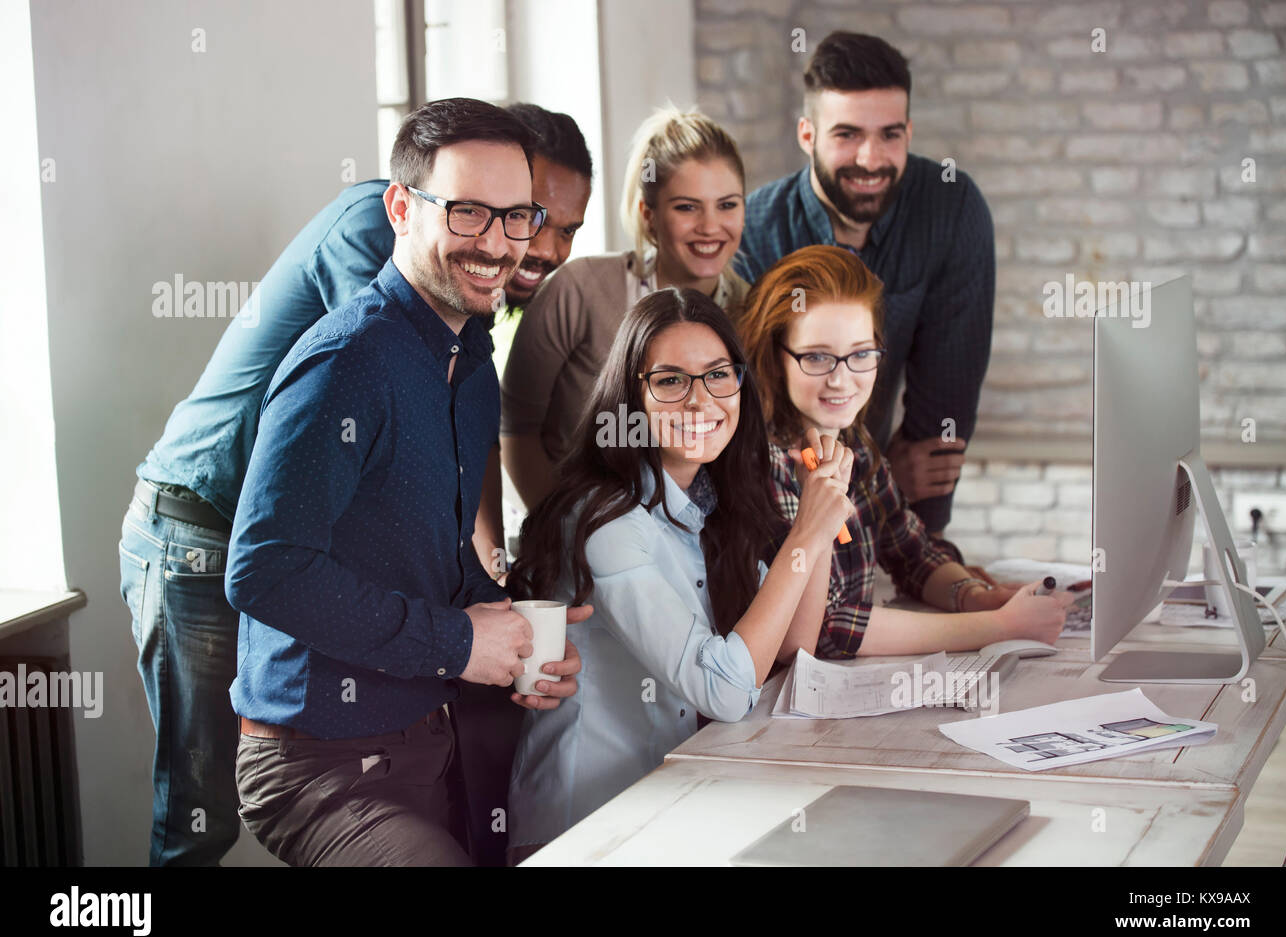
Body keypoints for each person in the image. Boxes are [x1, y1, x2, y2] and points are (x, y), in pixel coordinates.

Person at [116, 102, 590, 865]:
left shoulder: (467, 363)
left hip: (404, 723)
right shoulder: (354, 352)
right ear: (402, 208)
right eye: (469, 211)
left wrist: (507, 626)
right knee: (194, 817)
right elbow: (270, 565)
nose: (507, 243)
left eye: (521, 218)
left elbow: (421, 512)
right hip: (195, 528)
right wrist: (463, 637)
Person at [504, 287, 855, 861]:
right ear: (630, 400)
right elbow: (723, 690)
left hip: (675, 807)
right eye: (670, 381)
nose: (701, 401)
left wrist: (820, 523)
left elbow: (794, 649)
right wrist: (807, 533)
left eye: (719, 375)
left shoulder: (710, 503)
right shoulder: (605, 522)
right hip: (584, 832)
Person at [736, 245, 1073, 659]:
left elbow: (909, 548)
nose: (842, 381)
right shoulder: (763, 463)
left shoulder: (851, 439)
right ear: (776, 356)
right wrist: (998, 627)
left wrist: (971, 596)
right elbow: (830, 625)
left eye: (861, 354)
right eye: (818, 357)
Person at [736, 31, 995, 544]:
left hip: (895, 506)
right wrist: (872, 475)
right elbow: (750, 415)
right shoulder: (755, 229)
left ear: (909, 132)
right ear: (807, 135)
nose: (871, 159)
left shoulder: (951, 207)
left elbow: (948, 397)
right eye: (847, 135)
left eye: (890, 135)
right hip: (774, 514)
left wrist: (924, 547)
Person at [501, 106, 751, 510]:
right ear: (648, 217)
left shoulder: (753, 314)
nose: (710, 226)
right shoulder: (579, 290)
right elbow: (516, 427)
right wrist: (563, 537)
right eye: (687, 207)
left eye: (727, 205)